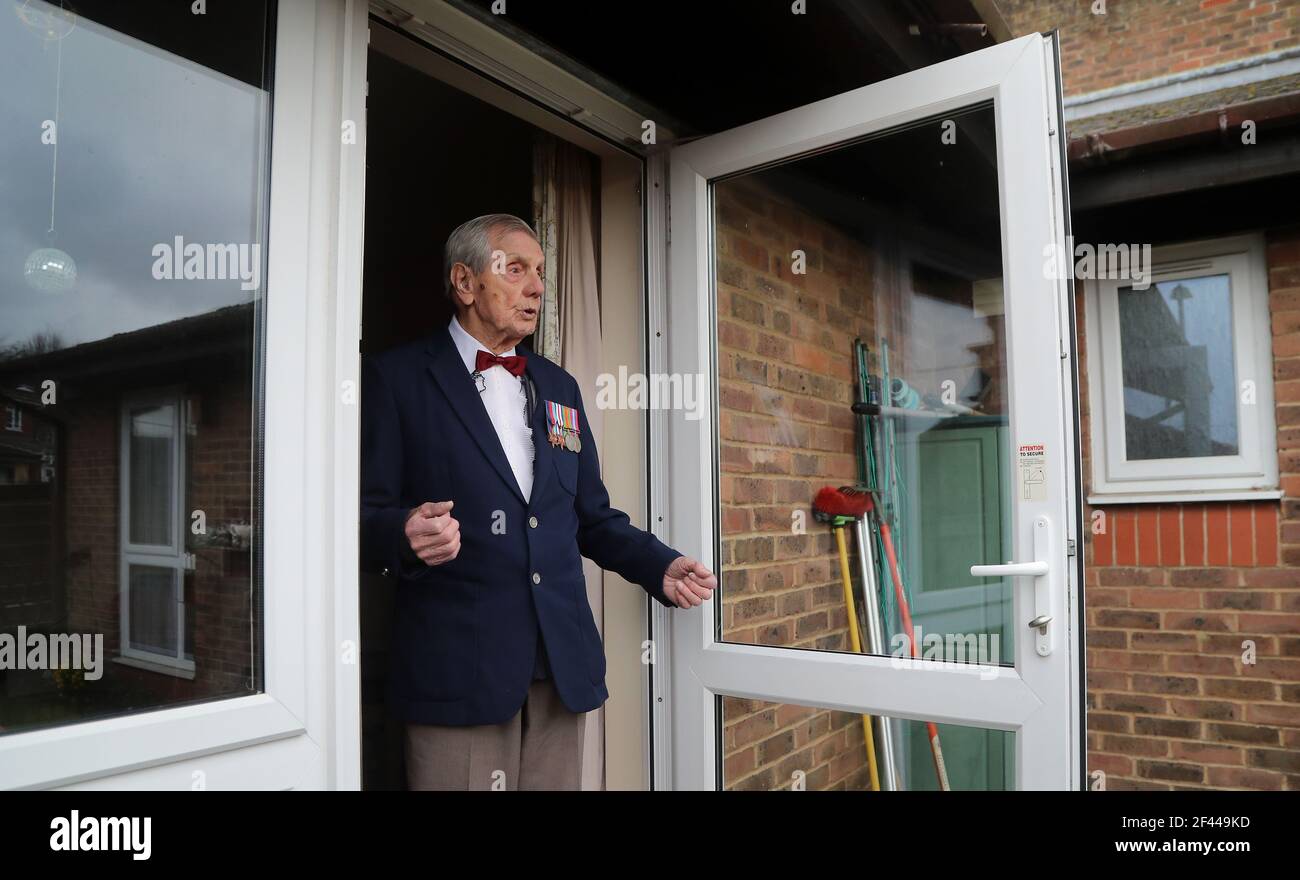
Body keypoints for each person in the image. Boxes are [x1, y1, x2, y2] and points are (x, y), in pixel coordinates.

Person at [361, 213, 716, 790]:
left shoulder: (558, 386)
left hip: (558, 663)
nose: (537, 288)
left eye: (543, 273)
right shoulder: (394, 378)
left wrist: (661, 566)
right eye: (517, 269)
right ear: (465, 282)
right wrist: (401, 532)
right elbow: (355, 517)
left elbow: (590, 517)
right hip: (458, 672)